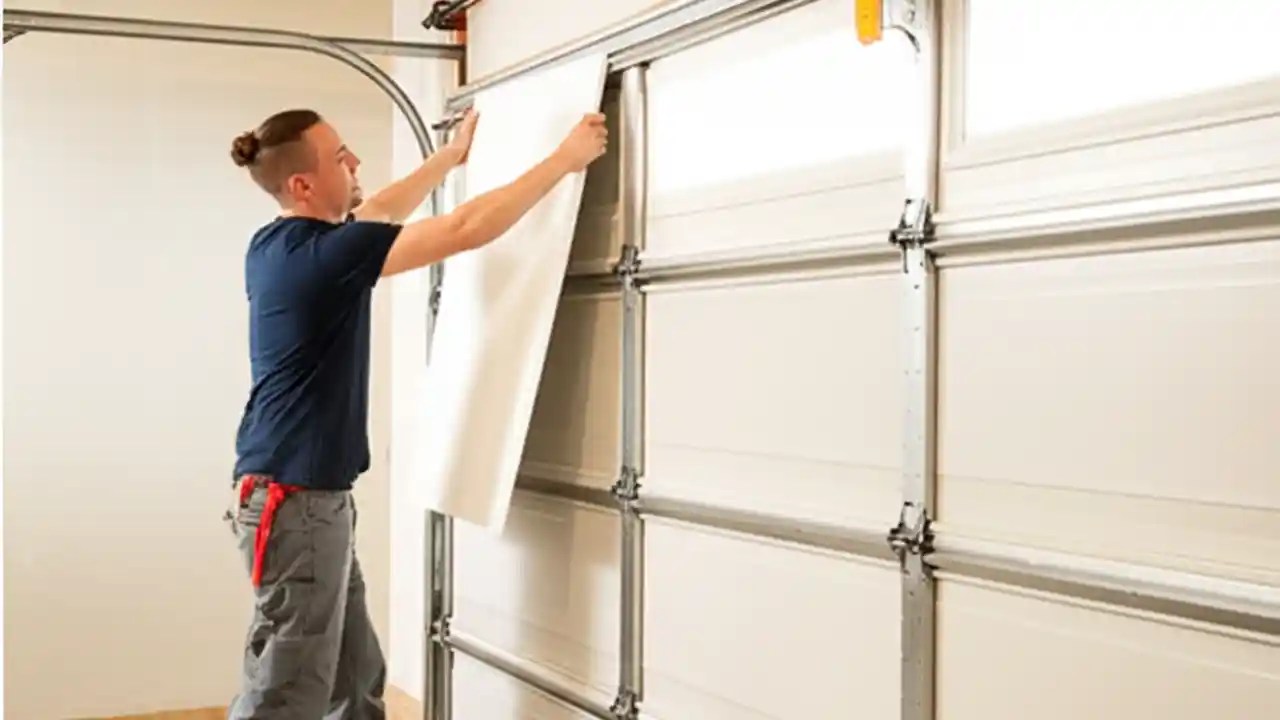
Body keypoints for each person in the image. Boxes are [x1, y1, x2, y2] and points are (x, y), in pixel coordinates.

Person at [222, 105, 607, 719]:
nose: (355, 162)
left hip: (302, 500)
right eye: (340, 156)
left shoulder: (277, 245)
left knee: (353, 677)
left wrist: (448, 158)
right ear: (302, 184)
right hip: (297, 504)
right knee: (287, 693)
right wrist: (565, 160)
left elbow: (379, 210)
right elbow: (465, 228)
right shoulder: (327, 256)